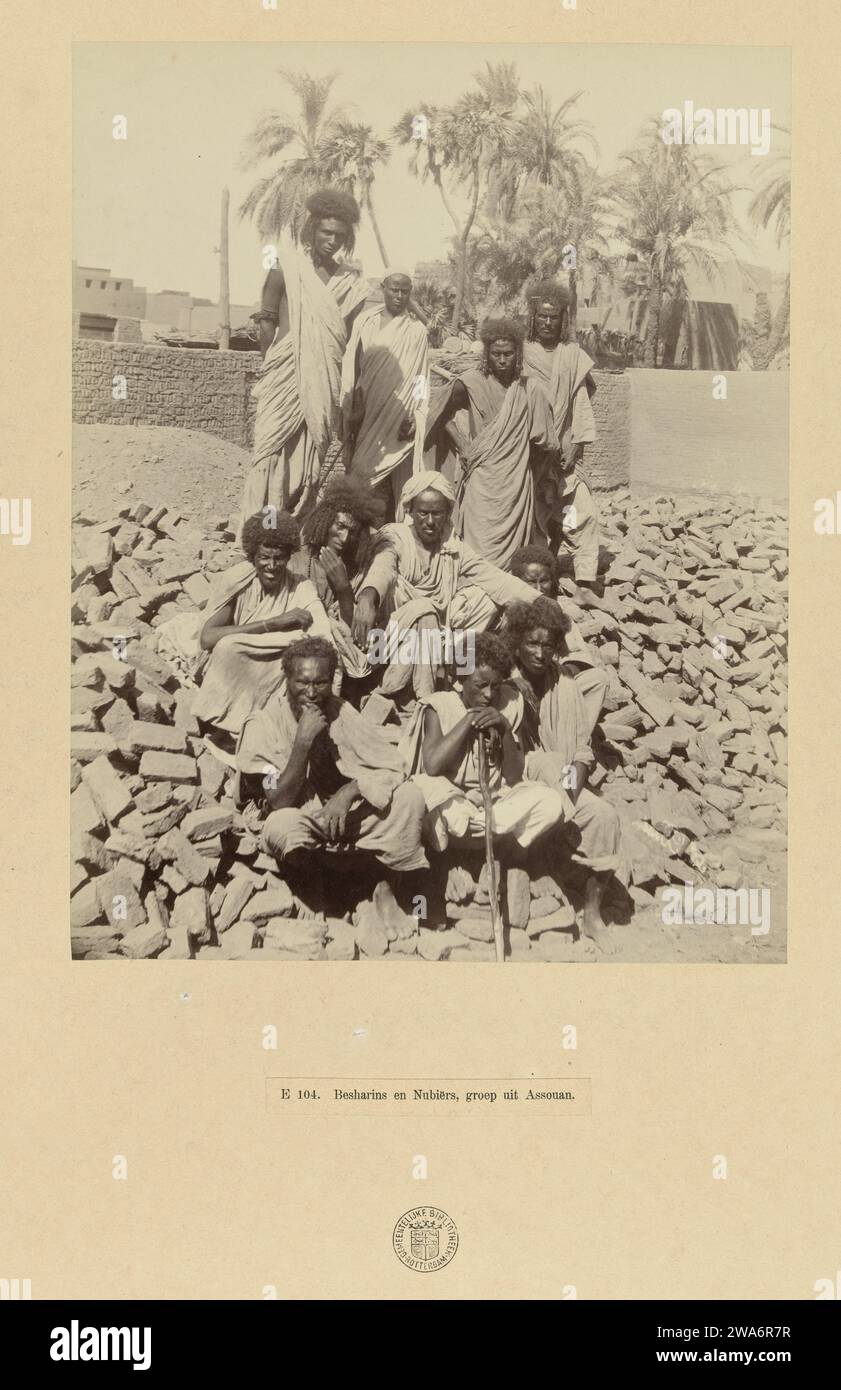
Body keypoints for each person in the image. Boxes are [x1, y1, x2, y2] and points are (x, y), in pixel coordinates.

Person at [236, 637, 428, 874]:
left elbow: (394, 766)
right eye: (302, 682)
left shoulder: (341, 711)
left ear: (331, 681)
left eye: (320, 683)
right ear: (287, 680)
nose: (311, 693)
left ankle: (387, 876)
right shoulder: (262, 724)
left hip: (346, 817)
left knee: (410, 797)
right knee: (280, 826)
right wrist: (302, 743)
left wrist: (349, 792)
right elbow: (277, 799)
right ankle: (344, 880)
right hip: (303, 819)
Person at [351, 472, 540, 699]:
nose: (430, 522)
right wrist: (368, 596)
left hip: (435, 638)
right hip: (388, 642)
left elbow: (493, 577)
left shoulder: (451, 546)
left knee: (485, 600)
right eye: (423, 513)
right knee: (423, 609)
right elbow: (383, 568)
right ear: (410, 511)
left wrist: (540, 602)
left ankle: (460, 674)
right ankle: (424, 698)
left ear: (447, 513)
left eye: (437, 514)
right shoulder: (395, 536)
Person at [241, 189, 370, 524]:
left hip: (324, 380)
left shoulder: (350, 282)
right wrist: (271, 364)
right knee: (270, 451)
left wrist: (353, 390)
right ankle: (263, 528)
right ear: (312, 229)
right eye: (326, 232)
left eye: (340, 236)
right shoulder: (286, 269)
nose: (332, 241)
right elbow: (266, 320)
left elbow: (350, 341)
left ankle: (294, 528)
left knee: (310, 454)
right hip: (284, 374)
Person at [502, 597, 622, 952]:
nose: (540, 653)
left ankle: (592, 913)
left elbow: (583, 753)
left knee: (603, 814)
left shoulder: (566, 687)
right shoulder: (505, 685)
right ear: (517, 642)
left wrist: (569, 790)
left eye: (548, 645)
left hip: (563, 789)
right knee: (545, 763)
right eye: (532, 643)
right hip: (519, 788)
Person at [399, 631, 566, 852]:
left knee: (551, 801)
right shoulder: (439, 706)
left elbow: (514, 776)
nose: (489, 694)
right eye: (480, 685)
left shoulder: (507, 705)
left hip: (495, 804)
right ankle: (493, 839)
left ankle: (481, 836)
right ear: (461, 679)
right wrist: (468, 720)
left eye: (495, 686)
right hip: (454, 798)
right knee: (425, 791)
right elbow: (432, 766)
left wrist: (503, 727)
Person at [424, 317, 559, 569]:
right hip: (481, 477)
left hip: (516, 482)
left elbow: (546, 444)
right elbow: (439, 412)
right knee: (477, 543)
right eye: (496, 353)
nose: (502, 360)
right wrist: (463, 445)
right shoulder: (472, 382)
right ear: (487, 353)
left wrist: (530, 471)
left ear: (517, 353)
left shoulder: (531, 389)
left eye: (508, 353)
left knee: (513, 550)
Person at [191, 512, 333, 742]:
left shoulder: (301, 586)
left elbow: (322, 633)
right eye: (264, 557)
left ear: (288, 558)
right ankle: (222, 723)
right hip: (237, 664)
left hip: (274, 668)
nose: (271, 566)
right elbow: (207, 638)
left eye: (279, 558)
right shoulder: (240, 581)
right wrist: (273, 624)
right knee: (228, 647)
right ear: (252, 557)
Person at [522, 281, 601, 589]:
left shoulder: (572, 355)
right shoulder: (523, 353)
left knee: (583, 514)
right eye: (541, 316)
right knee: (535, 517)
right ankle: (538, 581)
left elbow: (580, 401)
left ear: (563, 319)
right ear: (532, 317)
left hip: (564, 453)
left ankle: (584, 583)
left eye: (554, 317)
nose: (547, 322)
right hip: (532, 453)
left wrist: (577, 443)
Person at [342, 269, 429, 518]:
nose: (399, 295)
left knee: (399, 487)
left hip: (399, 418)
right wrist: (351, 405)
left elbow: (421, 375)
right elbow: (353, 365)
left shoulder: (416, 331)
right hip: (366, 415)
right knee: (360, 473)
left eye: (405, 291)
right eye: (394, 289)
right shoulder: (365, 322)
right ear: (383, 289)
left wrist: (418, 413)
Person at [289, 477, 384, 684]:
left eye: (353, 532)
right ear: (325, 518)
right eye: (340, 526)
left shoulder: (356, 569)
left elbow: (360, 636)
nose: (344, 538)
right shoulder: (297, 560)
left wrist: (343, 590)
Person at [508, 543, 607, 738]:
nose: (538, 589)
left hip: (550, 684)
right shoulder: (504, 611)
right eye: (530, 582)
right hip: (514, 685)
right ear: (516, 581)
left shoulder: (557, 614)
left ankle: (574, 743)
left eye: (544, 581)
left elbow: (578, 657)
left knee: (597, 680)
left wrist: (556, 678)